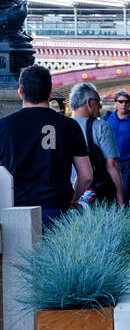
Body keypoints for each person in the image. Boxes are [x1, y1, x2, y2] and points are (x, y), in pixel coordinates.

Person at [0, 65, 92, 228]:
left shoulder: (3, 126)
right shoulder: (70, 126)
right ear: (50, 92)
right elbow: (86, 176)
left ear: (20, 92)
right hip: (56, 209)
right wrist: (75, 198)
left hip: (15, 211)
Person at [69, 82, 125, 206]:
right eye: (98, 101)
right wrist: (120, 199)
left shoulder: (62, 126)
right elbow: (112, 164)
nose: (100, 106)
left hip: (67, 195)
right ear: (89, 103)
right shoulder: (101, 127)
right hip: (96, 196)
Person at [106, 92, 130, 187]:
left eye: (127, 102)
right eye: (121, 101)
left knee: (125, 190)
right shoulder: (107, 118)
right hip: (110, 161)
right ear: (115, 103)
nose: (124, 104)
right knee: (110, 189)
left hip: (129, 162)